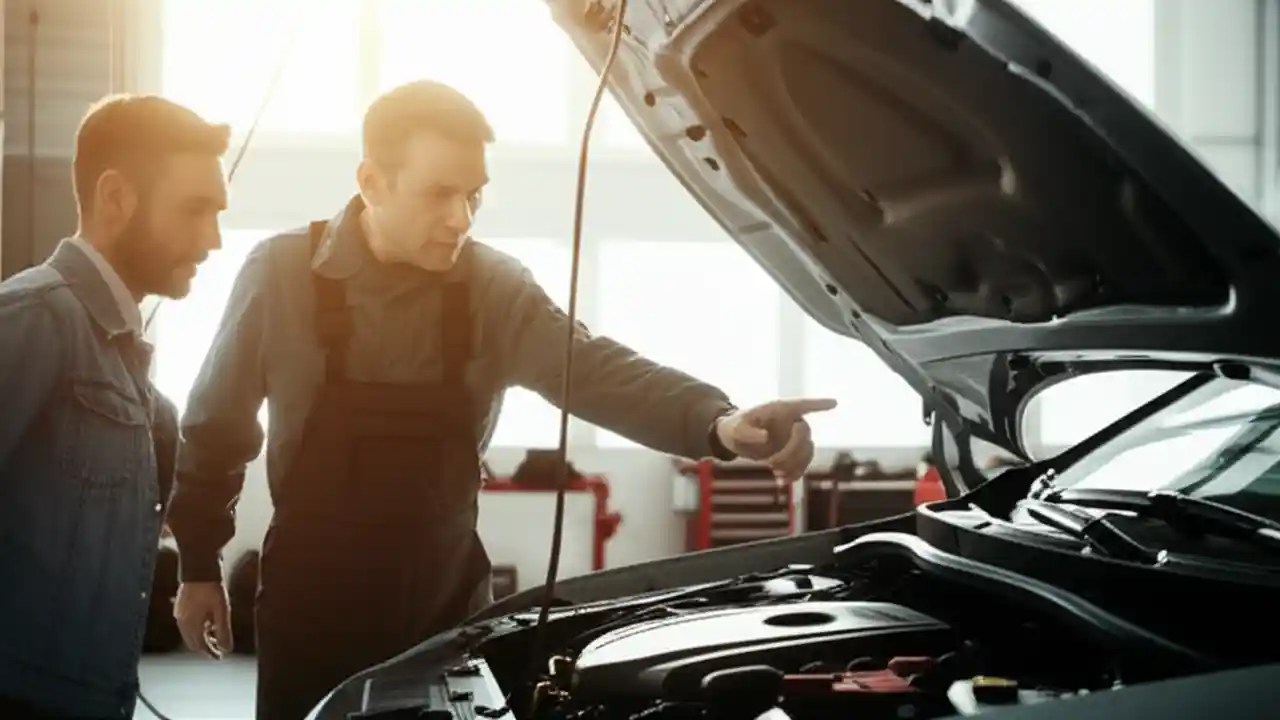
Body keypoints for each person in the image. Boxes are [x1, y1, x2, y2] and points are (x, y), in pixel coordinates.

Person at [166, 79, 836, 720]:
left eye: (474, 196)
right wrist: (198, 564)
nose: (459, 219)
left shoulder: (493, 288)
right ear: (372, 182)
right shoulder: (281, 274)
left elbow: (595, 370)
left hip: (441, 611)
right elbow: (216, 426)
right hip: (309, 607)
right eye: (439, 194)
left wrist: (720, 423)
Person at [0, 94, 229, 718]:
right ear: (116, 197)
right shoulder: (33, 318)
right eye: (195, 210)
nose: (212, 239)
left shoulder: (126, 366)